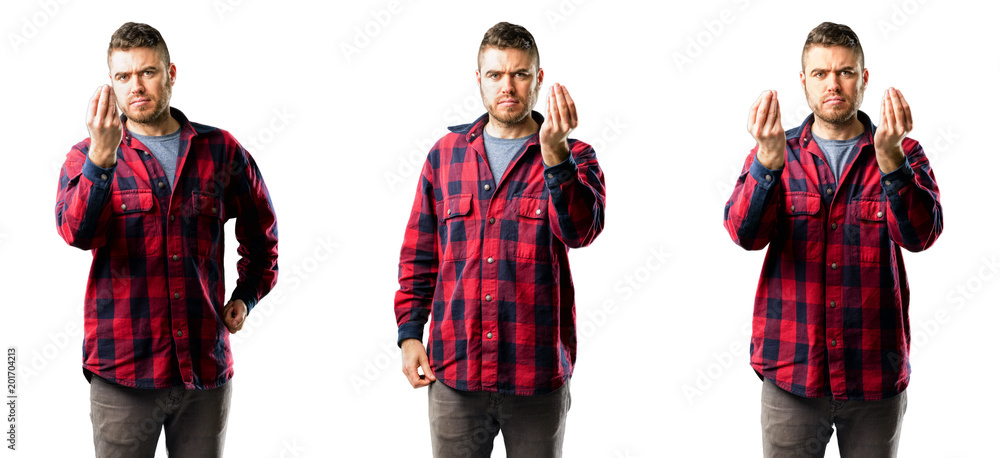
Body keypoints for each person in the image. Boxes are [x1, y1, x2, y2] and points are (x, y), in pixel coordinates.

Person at [55, 22, 278, 457]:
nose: (135, 86)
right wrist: (102, 160)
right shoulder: (86, 155)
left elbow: (262, 235)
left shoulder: (222, 150)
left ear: (171, 73)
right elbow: (76, 234)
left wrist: (247, 295)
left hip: (203, 369)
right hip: (123, 370)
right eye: (122, 77)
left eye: (148, 72)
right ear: (112, 84)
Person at [723, 22, 943, 457]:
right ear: (803, 82)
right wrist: (766, 166)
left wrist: (893, 164)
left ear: (863, 79)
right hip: (792, 376)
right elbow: (745, 235)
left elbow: (921, 236)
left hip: (874, 377)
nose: (833, 84)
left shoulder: (902, 150)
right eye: (821, 73)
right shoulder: (775, 151)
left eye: (844, 72)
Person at [393, 21, 606, 458]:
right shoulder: (445, 155)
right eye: (495, 75)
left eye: (520, 74)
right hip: (455, 372)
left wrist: (556, 158)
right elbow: (420, 254)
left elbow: (582, 232)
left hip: (536, 377)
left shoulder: (575, 154)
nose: (507, 86)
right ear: (479, 80)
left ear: (538, 78)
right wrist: (410, 333)